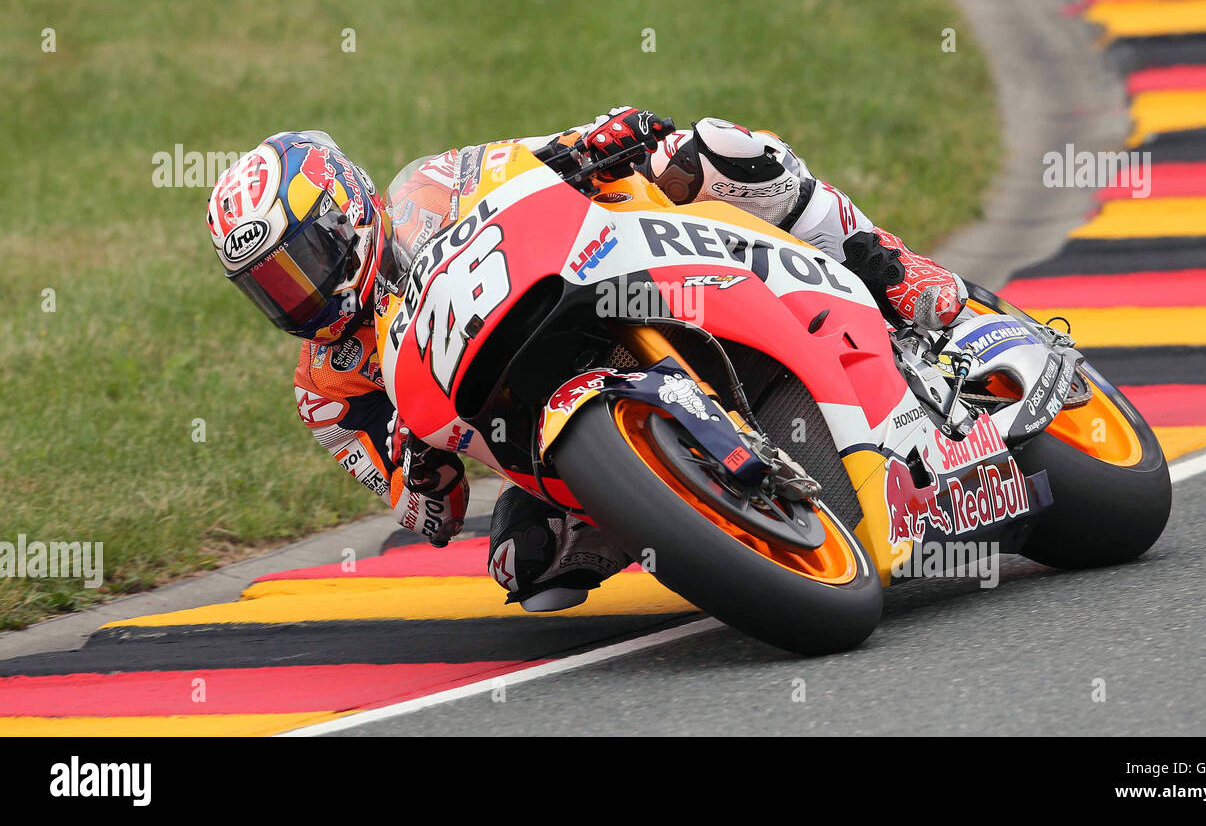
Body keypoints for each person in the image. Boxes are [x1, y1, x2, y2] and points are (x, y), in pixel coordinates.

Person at [206, 108, 967, 611]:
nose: (300, 293)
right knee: (520, 564)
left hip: (607, 272)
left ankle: (891, 266)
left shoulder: (429, 187)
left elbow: (526, 164)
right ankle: (694, 514)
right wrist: (417, 462)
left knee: (706, 149)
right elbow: (428, 516)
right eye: (272, 287)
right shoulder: (327, 391)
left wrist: (594, 138)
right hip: (529, 427)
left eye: (301, 260)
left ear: (345, 208)